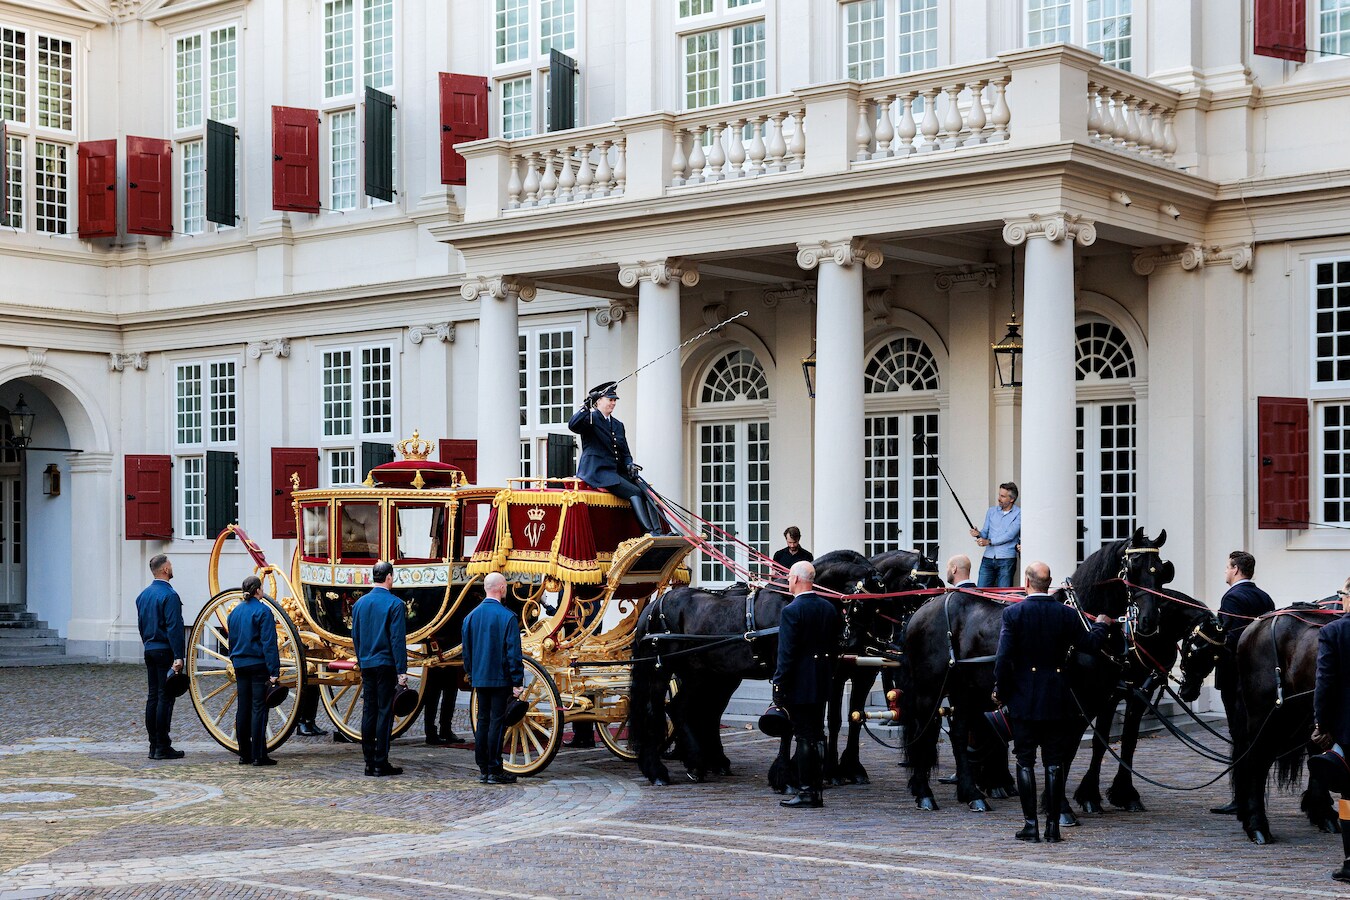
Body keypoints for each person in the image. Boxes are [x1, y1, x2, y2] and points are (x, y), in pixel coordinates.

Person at [993, 561, 1112, 843]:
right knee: (1054, 763)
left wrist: (1002, 690)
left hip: (1023, 699)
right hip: (1058, 699)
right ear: (1049, 583)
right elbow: (1091, 645)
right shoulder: (1066, 614)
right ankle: (1053, 827)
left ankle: (1031, 825)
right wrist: (1101, 625)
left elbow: (1002, 660)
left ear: (1026, 582)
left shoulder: (1013, 613)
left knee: (1024, 762)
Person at [1210, 550, 1275, 816]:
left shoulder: (1232, 597)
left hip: (1238, 678)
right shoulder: (1264, 596)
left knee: (1240, 736)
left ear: (1236, 569)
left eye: (1227, 567)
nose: (1225, 571)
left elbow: (1232, 639)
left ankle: (1242, 796)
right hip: (1264, 679)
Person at [772, 561, 841, 809]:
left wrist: (778, 686)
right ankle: (817, 789)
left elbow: (786, 654)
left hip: (800, 684)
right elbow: (834, 649)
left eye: (789, 577)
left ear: (798, 579)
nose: (788, 582)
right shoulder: (828, 608)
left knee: (803, 737)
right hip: (821, 683)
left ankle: (806, 791)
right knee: (816, 736)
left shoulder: (792, 611)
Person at [568, 381, 665, 536]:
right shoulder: (590, 419)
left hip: (616, 471)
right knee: (635, 492)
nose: (613, 403)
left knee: (648, 492)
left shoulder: (618, 425)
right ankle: (648, 532)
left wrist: (629, 464)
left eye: (614, 400)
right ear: (599, 400)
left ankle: (659, 532)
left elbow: (625, 452)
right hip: (597, 472)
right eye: (610, 399)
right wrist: (586, 405)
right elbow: (573, 425)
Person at [461, 572, 524, 784]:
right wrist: (517, 681)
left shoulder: (470, 617)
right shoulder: (507, 617)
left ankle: (483, 768)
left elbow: (466, 652)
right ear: (502, 588)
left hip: (480, 677)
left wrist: (471, 673)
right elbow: (513, 654)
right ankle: (494, 768)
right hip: (500, 678)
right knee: (496, 723)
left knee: (483, 721)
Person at [350, 560, 408, 777]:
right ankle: (380, 762)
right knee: (384, 712)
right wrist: (402, 671)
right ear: (389, 577)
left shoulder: (360, 604)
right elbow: (397, 641)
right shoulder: (395, 604)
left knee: (369, 712)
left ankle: (368, 761)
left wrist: (362, 658)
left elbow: (355, 637)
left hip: (367, 662)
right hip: (385, 663)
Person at [1314, 584, 1350, 883]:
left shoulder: (1335, 632)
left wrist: (1321, 725)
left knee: (1349, 799)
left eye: (1344, 594)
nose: (1341, 599)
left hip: (1348, 729)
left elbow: (1325, 682)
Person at [227, 575, 281, 766]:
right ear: (258, 590)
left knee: (243, 708)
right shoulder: (264, 611)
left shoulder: (234, 613)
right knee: (259, 708)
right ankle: (259, 754)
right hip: (258, 665)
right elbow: (269, 644)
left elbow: (230, 641)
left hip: (240, 664)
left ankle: (244, 754)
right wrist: (274, 671)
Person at [136, 554, 185, 760]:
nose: (172, 568)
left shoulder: (143, 595)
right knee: (165, 697)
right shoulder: (170, 595)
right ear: (165, 569)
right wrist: (179, 656)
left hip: (149, 648)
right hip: (165, 649)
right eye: (170, 565)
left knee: (153, 697)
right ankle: (162, 745)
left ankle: (153, 744)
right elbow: (174, 628)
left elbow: (141, 624)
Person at [970, 482, 1020, 587]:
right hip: (988, 558)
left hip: (1006, 559)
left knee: (1003, 596)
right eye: (999, 495)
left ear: (1011, 499)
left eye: (1003, 496)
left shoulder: (1019, 513)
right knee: (981, 593)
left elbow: (1009, 535)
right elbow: (985, 532)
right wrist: (978, 533)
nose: (999, 498)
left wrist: (988, 541)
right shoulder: (991, 511)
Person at [422, 665, 461, 745]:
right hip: (434, 664)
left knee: (450, 697)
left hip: (451, 664)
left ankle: (446, 730)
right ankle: (430, 733)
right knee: (432, 699)